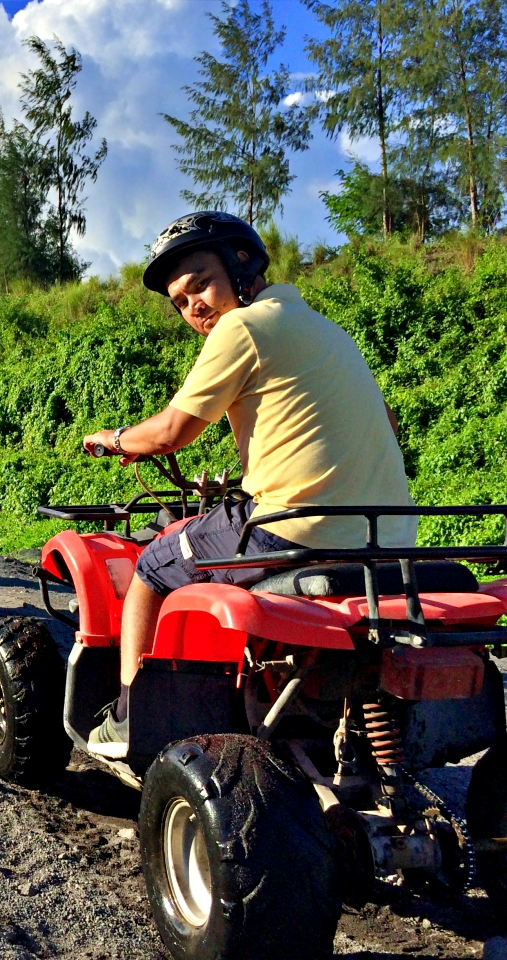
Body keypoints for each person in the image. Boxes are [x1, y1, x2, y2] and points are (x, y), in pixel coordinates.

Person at [82, 211, 415, 759]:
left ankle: (127, 718)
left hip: (296, 529)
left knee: (150, 567)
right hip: (390, 538)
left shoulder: (244, 326)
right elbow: (386, 423)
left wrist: (113, 438)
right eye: (180, 302)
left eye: (200, 285)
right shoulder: (328, 331)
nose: (194, 307)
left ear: (243, 265)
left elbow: (170, 433)